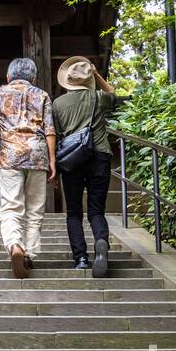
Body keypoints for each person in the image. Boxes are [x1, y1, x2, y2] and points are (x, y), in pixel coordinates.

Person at [0, 57, 56, 278]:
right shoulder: (42, 95)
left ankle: (15, 244)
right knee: (35, 209)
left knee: (10, 206)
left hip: (9, 156)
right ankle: (29, 253)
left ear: (8, 76)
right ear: (33, 77)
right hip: (37, 156)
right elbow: (49, 130)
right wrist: (53, 161)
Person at [51, 56, 117, 277]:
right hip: (99, 156)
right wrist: (96, 75)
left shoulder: (58, 104)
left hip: (71, 160)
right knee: (96, 209)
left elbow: (56, 134)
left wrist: (54, 167)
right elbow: (112, 93)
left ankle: (80, 258)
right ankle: (101, 241)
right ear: (88, 79)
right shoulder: (97, 97)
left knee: (73, 212)